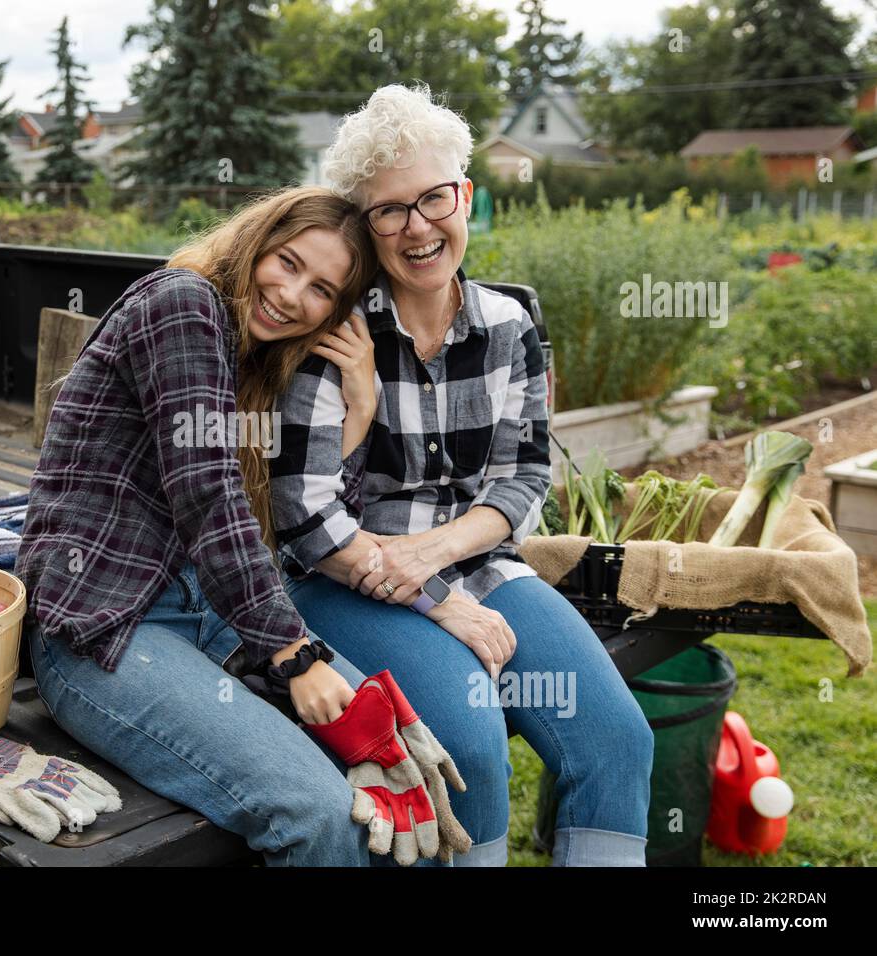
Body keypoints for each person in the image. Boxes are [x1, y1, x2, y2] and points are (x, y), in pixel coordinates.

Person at [271, 85, 655, 867]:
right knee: (473, 748)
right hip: (344, 581)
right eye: (389, 210)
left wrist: (434, 555)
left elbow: (522, 479)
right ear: (366, 227)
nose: (418, 227)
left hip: (472, 563)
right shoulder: (335, 339)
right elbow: (305, 517)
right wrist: (430, 594)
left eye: (433, 198)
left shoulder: (509, 327)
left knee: (618, 738)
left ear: (466, 196)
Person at [17, 187, 390, 866]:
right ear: (257, 242)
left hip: (210, 608)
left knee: (385, 754)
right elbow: (207, 493)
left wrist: (359, 406)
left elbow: (300, 520)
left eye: (321, 290)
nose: (291, 294)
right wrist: (291, 654)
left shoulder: (258, 358)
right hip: (107, 626)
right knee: (319, 812)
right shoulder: (182, 304)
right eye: (287, 262)